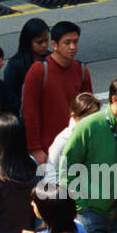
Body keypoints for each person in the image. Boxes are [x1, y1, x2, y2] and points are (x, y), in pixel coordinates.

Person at [23, 20, 93, 162]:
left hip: (77, 146)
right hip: (47, 150)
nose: (72, 47)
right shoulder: (39, 70)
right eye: (67, 43)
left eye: (75, 42)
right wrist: (35, 148)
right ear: (54, 45)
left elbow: (90, 111)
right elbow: (30, 112)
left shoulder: (82, 70)